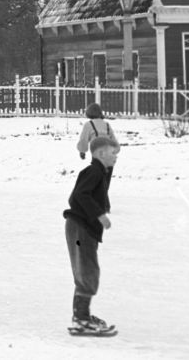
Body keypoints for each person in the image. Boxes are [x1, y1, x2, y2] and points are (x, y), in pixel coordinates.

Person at [64, 134, 121, 335]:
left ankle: (82, 316)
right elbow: (78, 195)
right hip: (81, 227)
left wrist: (110, 162)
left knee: (87, 270)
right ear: (100, 153)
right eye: (113, 153)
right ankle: (81, 320)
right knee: (87, 270)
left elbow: (99, 185)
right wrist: (99, 215)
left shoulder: (98, 172)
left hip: (82, 228)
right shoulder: (93, 172)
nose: (116, 157)